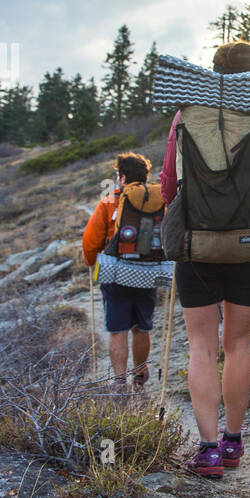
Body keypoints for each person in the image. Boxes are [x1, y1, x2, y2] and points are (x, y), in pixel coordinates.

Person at [160, 39, 250, 477]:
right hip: (249, 246)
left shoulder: (184, 116)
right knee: (237, 344)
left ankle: (208, 450)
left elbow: (168, 185)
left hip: (195, 247)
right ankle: (234, 442)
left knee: (200, 347)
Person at [82, 153, 158, 391]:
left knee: (118, 329)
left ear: (123, 177)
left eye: (117, 176)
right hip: (147, 270)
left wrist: (91, 261)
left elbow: (90, 240)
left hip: (115, 272)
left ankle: (119, 382)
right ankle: (139, 373)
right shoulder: (157, 199)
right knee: (141, 327)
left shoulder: (109, 201)